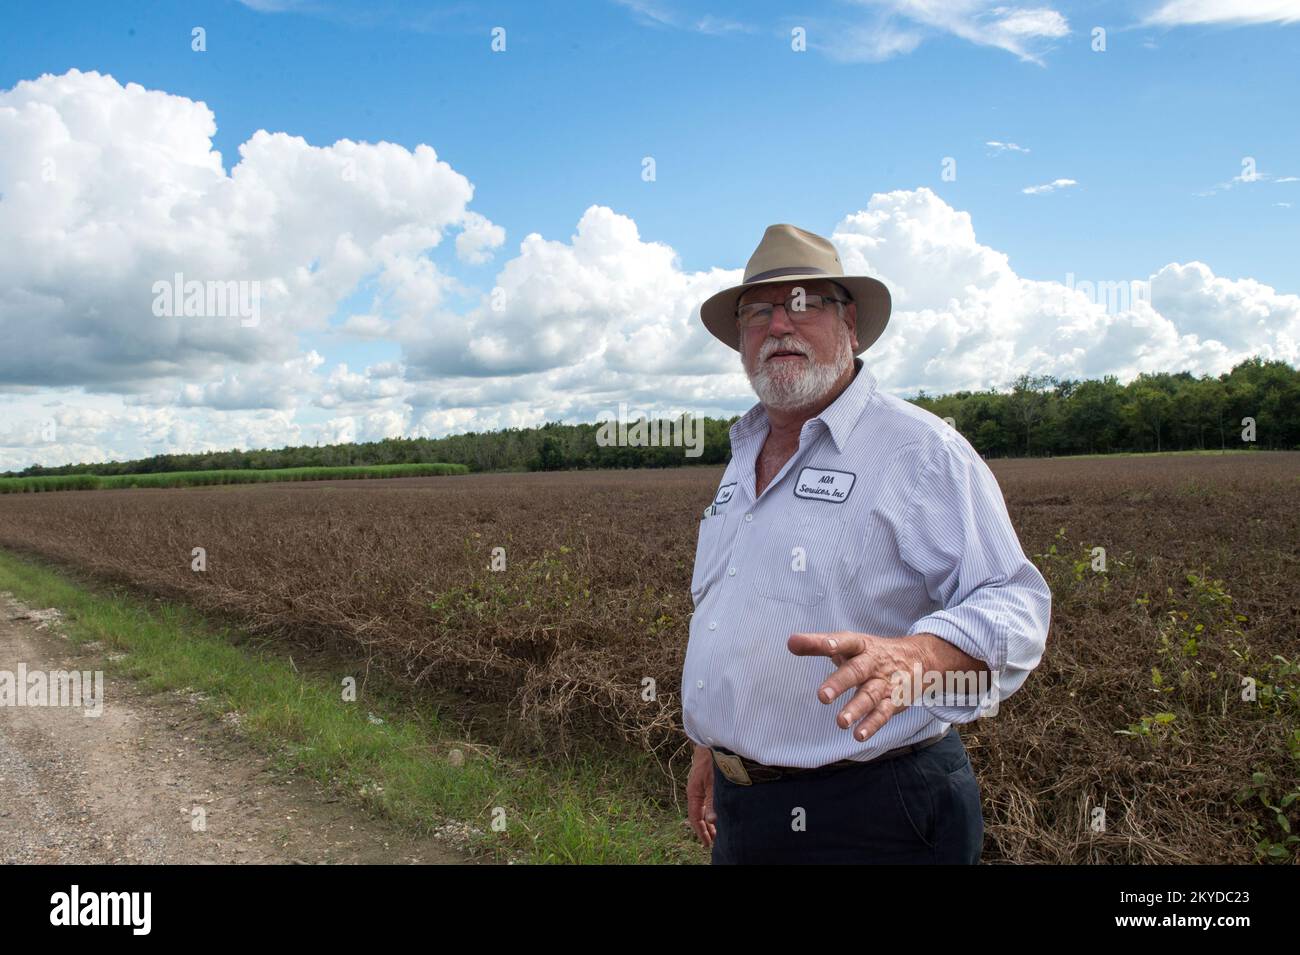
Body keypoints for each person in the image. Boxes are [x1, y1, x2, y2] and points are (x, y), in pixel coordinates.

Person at [681, 223, 1051, 863]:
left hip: (877, 812)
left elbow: (1016, 605)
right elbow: (736, 608)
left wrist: (920, 659)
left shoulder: (919, 449)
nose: (778, 326)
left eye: (804, 305)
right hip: (746, 810)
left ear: (849, 323)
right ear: (741, 338)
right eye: (759, 312)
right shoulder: (744, 452)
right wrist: (715, 744)